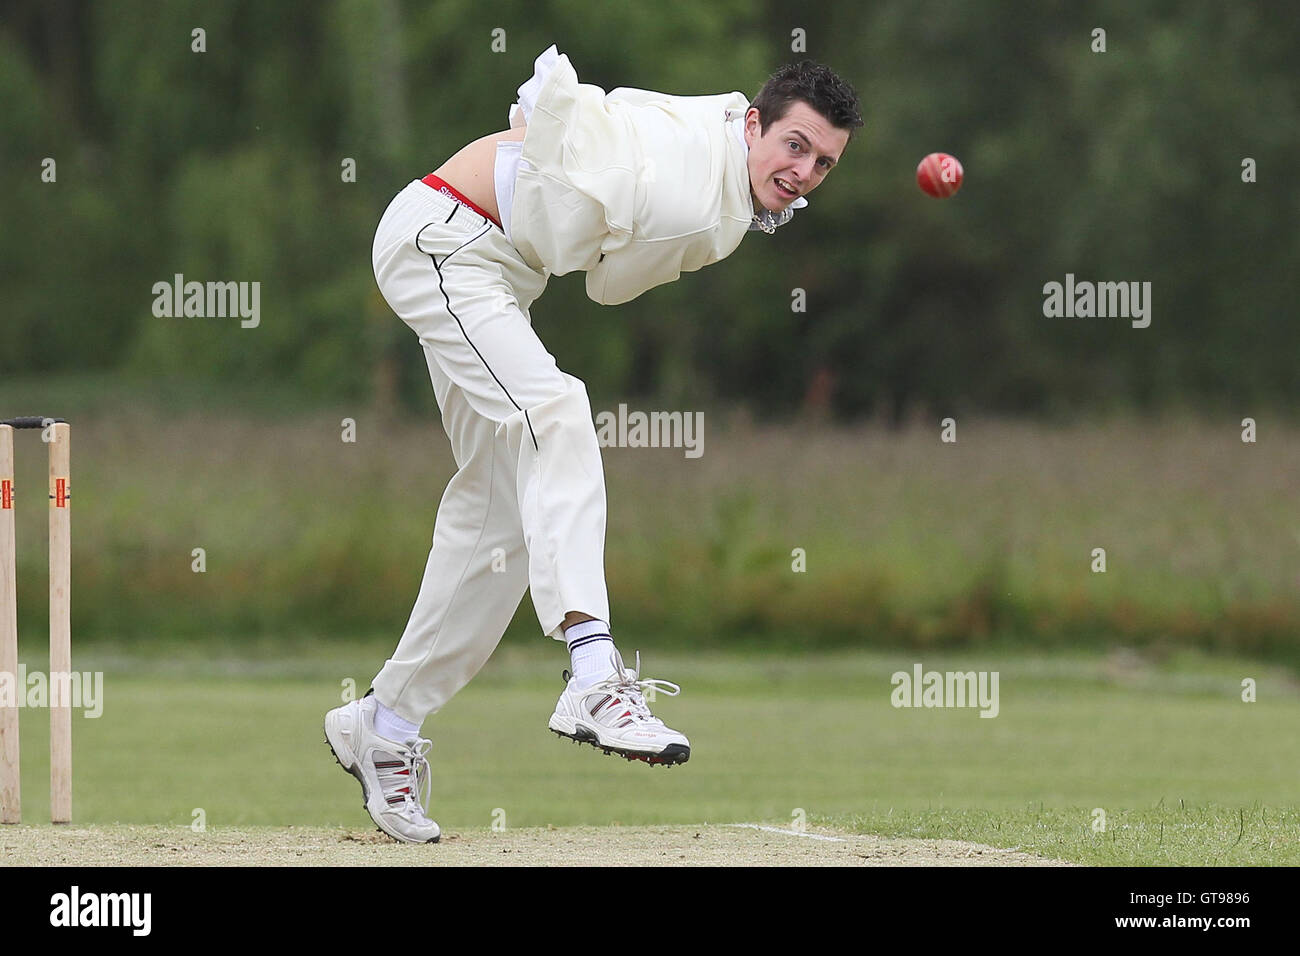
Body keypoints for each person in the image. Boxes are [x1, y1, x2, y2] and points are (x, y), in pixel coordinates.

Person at [325, 44, 862, 843]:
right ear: (755, 124)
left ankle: (385, 727)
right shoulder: (695, 191)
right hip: (442, 240)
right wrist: (557, 133)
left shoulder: (720, 148)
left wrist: (557, 136)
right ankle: (593, 668)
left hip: (497, 273)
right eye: (795, 146)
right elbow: (604, 257)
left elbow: (605, 241)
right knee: (561, 413)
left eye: (823, 162)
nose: (805, 171)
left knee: (502, 518)